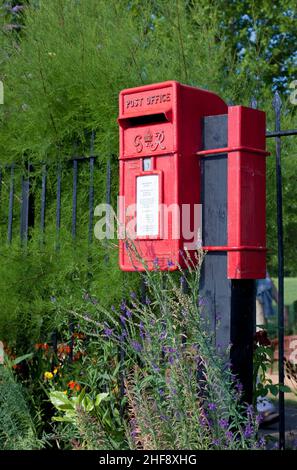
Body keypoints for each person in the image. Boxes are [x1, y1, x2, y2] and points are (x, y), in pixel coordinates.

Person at [255, 272, 279, 425]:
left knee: (254, 364)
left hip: (257, 318)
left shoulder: (262, 269)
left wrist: (281, 307)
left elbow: (273, 288)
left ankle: (261, 407)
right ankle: (262, 407)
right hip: (251, 315)